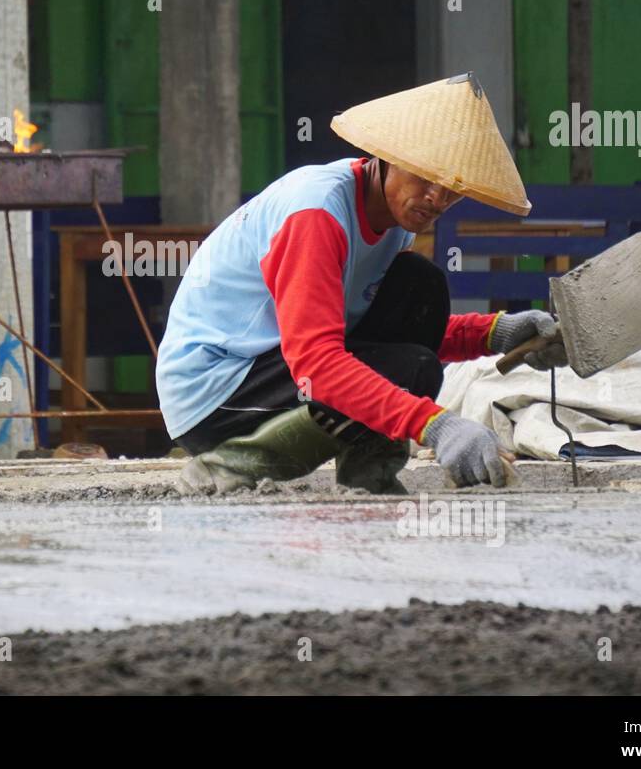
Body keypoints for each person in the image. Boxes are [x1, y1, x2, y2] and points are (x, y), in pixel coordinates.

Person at [156, 73, 567, 495]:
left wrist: (497, 334)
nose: (436, 199)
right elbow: (317, 364)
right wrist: (437, 427)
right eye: (426, 178)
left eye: (452, 191)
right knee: (411, 369)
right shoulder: (316, 214)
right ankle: (229, 466)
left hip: (272, 368)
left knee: (418, 289)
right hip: (215, 394)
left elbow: (379, 329)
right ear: (386, 156)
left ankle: (367, 479)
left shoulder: (392, 222)